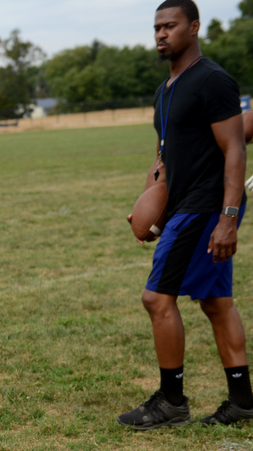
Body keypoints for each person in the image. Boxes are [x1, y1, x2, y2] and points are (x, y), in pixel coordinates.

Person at [119, 0, 252, 429]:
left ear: (193, 27)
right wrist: (147, 206)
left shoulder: (211, 80)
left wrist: (228, 218)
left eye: (170, 25)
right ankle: (243, 402)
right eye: (157, 27)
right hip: (182, 203)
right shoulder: (165, 90)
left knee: (157, 298)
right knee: (216, 302)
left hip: (206, 206)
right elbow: (164, 158)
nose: (161, 33)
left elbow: (235, 149)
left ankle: (171, 402)